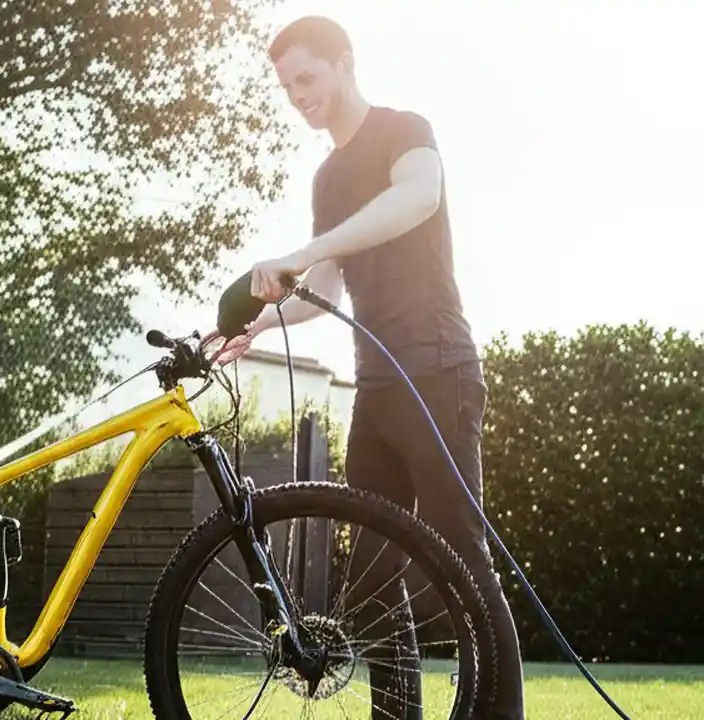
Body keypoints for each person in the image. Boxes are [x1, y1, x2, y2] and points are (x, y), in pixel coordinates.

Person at [204, 15, 526, 720]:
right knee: (376, 577)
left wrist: (307, 248)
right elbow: (327, 287)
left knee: (462, 559)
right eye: (287, 86)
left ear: (345, 63)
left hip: (438, 372)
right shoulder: (328, 178)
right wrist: (248, 328)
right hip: (375, 389)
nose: (298, 96)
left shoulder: (404, 131)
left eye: (308, 78)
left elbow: (418, 199)